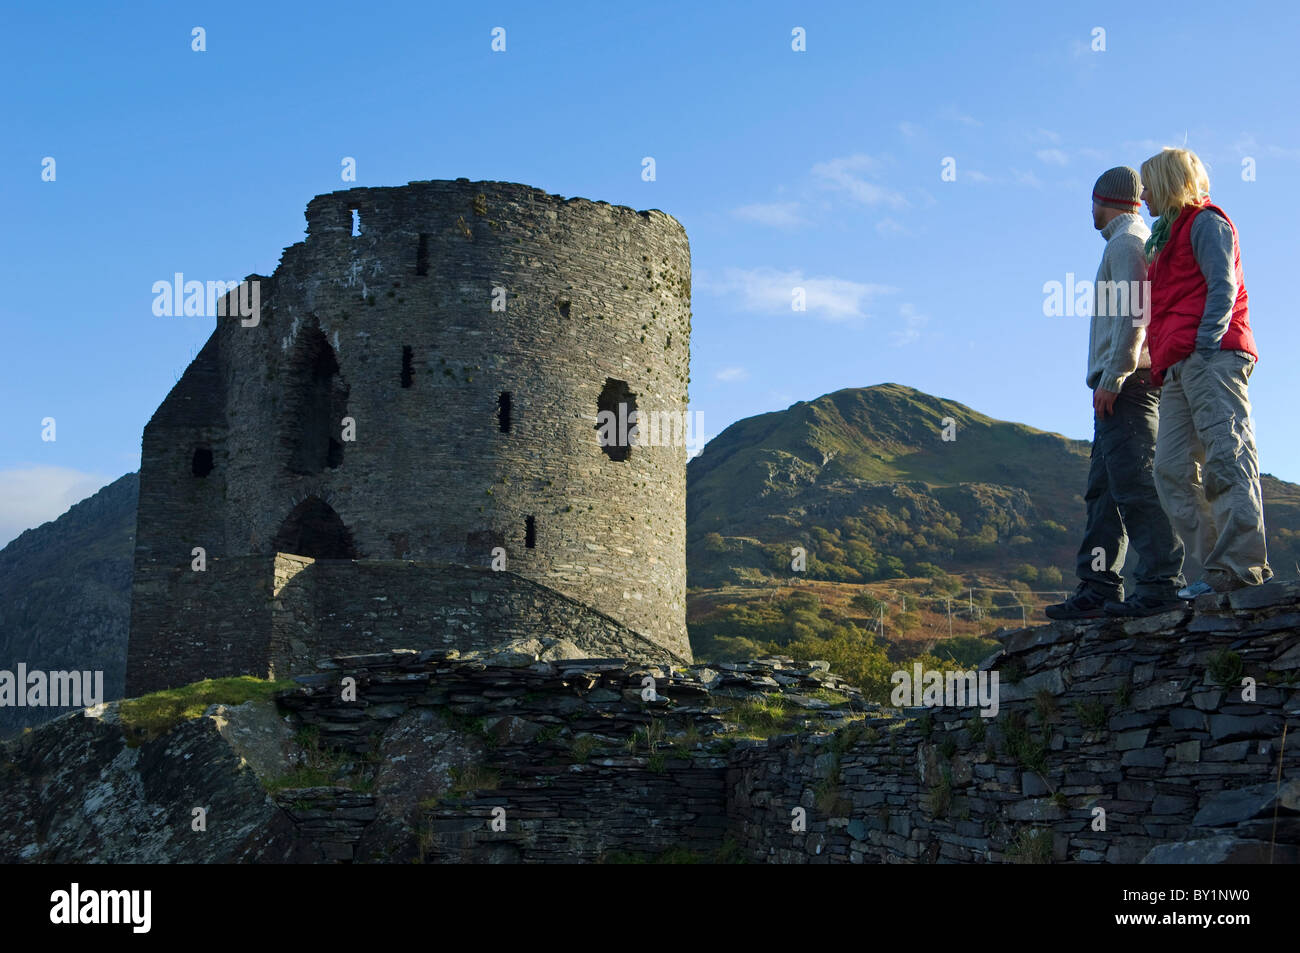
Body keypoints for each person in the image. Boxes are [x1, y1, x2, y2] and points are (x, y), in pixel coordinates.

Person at [1046, 167, 1186, 620]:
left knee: (1136, 483)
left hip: (1127, 385)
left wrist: (1114, 376)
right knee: (1105, 491)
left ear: (1104, 199)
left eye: (1092, 200)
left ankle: (1161, 583)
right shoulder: (1126, 240)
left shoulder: (1126, 242)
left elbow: (1135, 315)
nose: (1090, 209)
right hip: (1122, 385)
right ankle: (1098, 585)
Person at [1139, 147, 1271, 597]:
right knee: (1171, 471)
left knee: (1226, 458)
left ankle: (1240, 567)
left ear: (1167, 182)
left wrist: (1205, 344)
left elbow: (1223, 286)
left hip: (1210, 359)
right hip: (1175, 368)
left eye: (1148, 185)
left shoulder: (1206, 222)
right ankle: (1215, 569)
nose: (1143, 196)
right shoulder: (1163, 239)